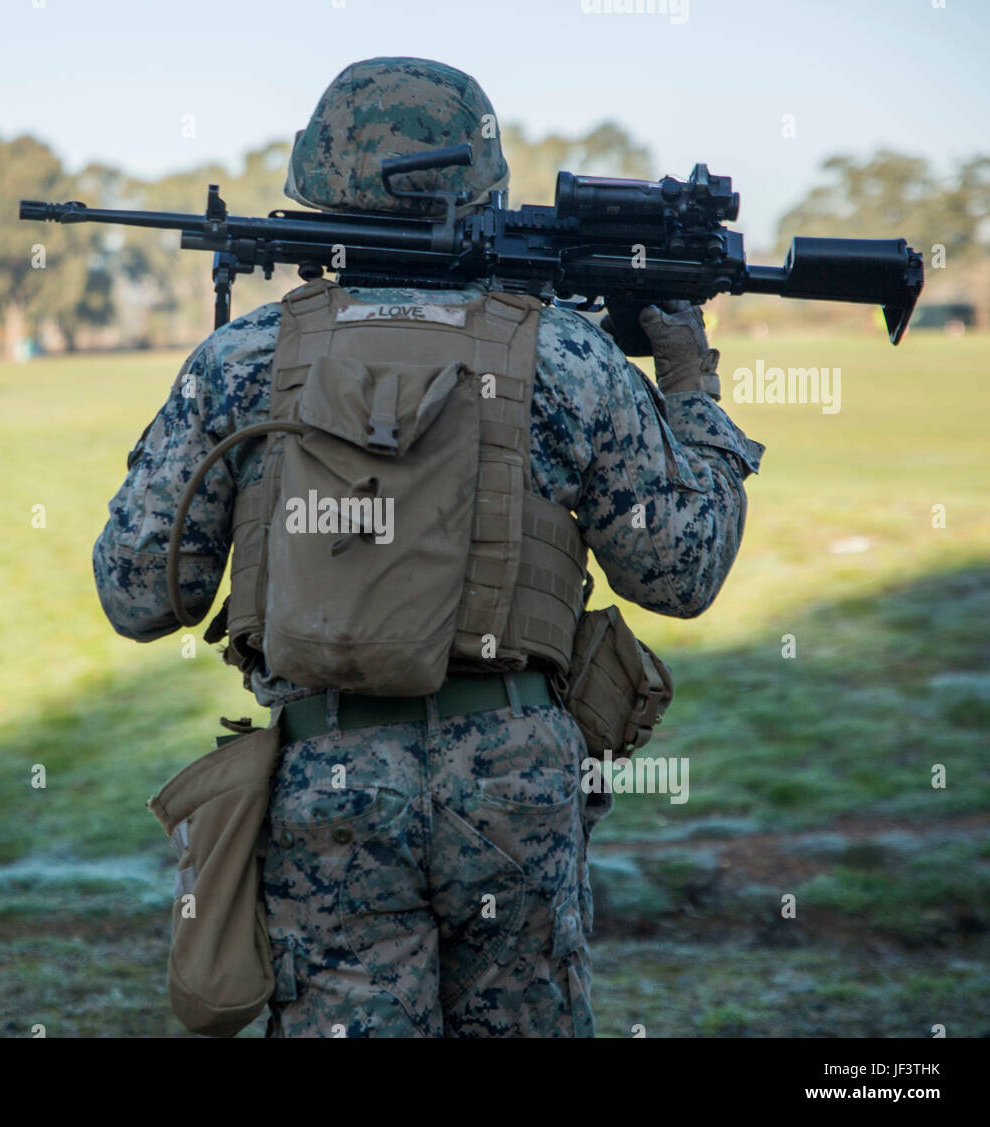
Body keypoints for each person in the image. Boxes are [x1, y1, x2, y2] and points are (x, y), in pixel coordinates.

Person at [93, 56, 764, 1037]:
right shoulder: (567, 355)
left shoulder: (242, 360)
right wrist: (692, 393)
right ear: (482, 183)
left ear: (316, 182)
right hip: (517, 782)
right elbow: (682, 567)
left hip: (326, 778)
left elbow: (137, 593)